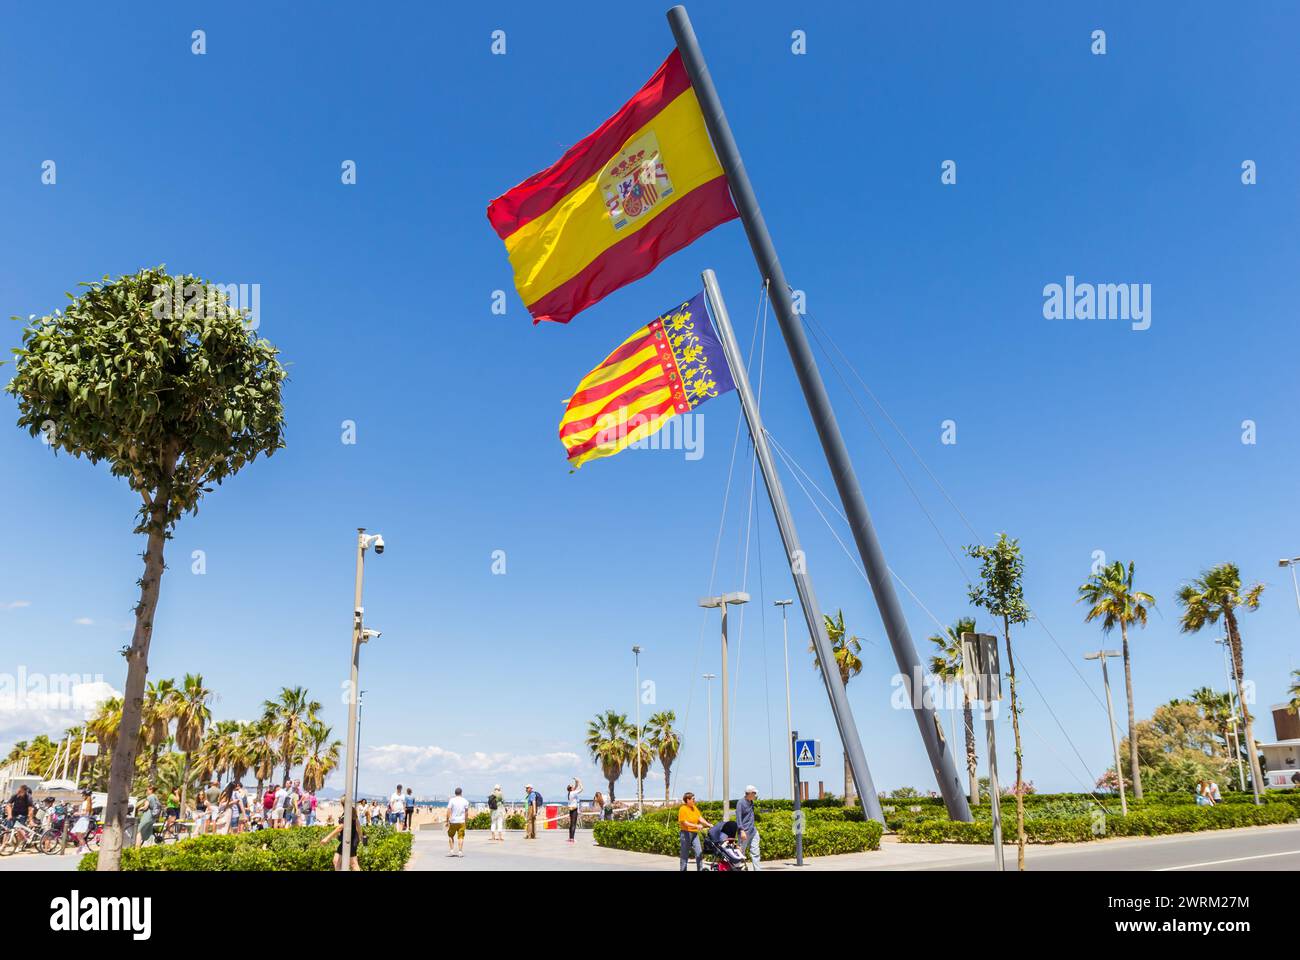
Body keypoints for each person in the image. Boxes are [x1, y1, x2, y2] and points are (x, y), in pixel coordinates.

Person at [321, 799, 362, 870]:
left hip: (350, 841)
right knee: (336, 861)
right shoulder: (351, 811)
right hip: (348, 839)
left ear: (342, 803)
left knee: (353, 863)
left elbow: (340, 827)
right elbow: (358, 824)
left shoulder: (348, 812)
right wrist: (360, 836)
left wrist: (327, 838)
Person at [677, 792, 712, 871]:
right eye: (693, 799)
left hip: (694, 834)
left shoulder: (694, 808)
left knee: (699, 853)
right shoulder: (683, 809)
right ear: (688, 800)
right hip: (685, 834)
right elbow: (684, 822)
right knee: (684, 855)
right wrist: (696, 826)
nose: (694, 800)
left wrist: (708, 824)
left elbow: (700, 818)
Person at [736, 784, 761, 870]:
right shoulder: (740, 803)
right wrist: (742, 830)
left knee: (755, 852)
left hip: (753, 831)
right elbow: (738, 818)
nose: (755, 795)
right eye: (754, 793)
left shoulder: (751, 802)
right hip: (744, 832)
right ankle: (735, 868)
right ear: (749, 793)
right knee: (740, 853)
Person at [445, 787, 471, 857]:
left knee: (450, 836)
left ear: (455, 793)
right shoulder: (465, 801)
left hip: (453, 821)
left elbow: (448, 811)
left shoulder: (452, 800)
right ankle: (460, 851)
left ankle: (451, 851)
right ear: (461, 793)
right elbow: (466, 812)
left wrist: (447, 820)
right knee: (461, 837)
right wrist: (466, 821)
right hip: (461, 821)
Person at [566, 777, 583, 844]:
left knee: (571, 824)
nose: (573, 786)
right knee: (573, 824)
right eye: (572, 786)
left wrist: (576, 781)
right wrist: (580, 781)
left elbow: (575, 787)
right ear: (571, 788)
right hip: (574, 810)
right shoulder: (573, 793)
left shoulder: (570, 793)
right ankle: (572, 838)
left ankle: (570, 838)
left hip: (571, 810)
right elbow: (581, 789)